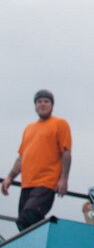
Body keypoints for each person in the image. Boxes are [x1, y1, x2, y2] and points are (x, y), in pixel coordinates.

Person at [1, 90, 71, 231]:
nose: (43, 104)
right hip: (27, 184)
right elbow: (22, 157)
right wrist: (9, 177)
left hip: (46, 182)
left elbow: (66, 153)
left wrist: (63, 179)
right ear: (35, 106)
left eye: (46, 101)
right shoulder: (29, 128)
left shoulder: (60, 123)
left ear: (52, 105)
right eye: (39, 101)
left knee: (27, 217)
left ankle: (52, 233)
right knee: (23, 226)